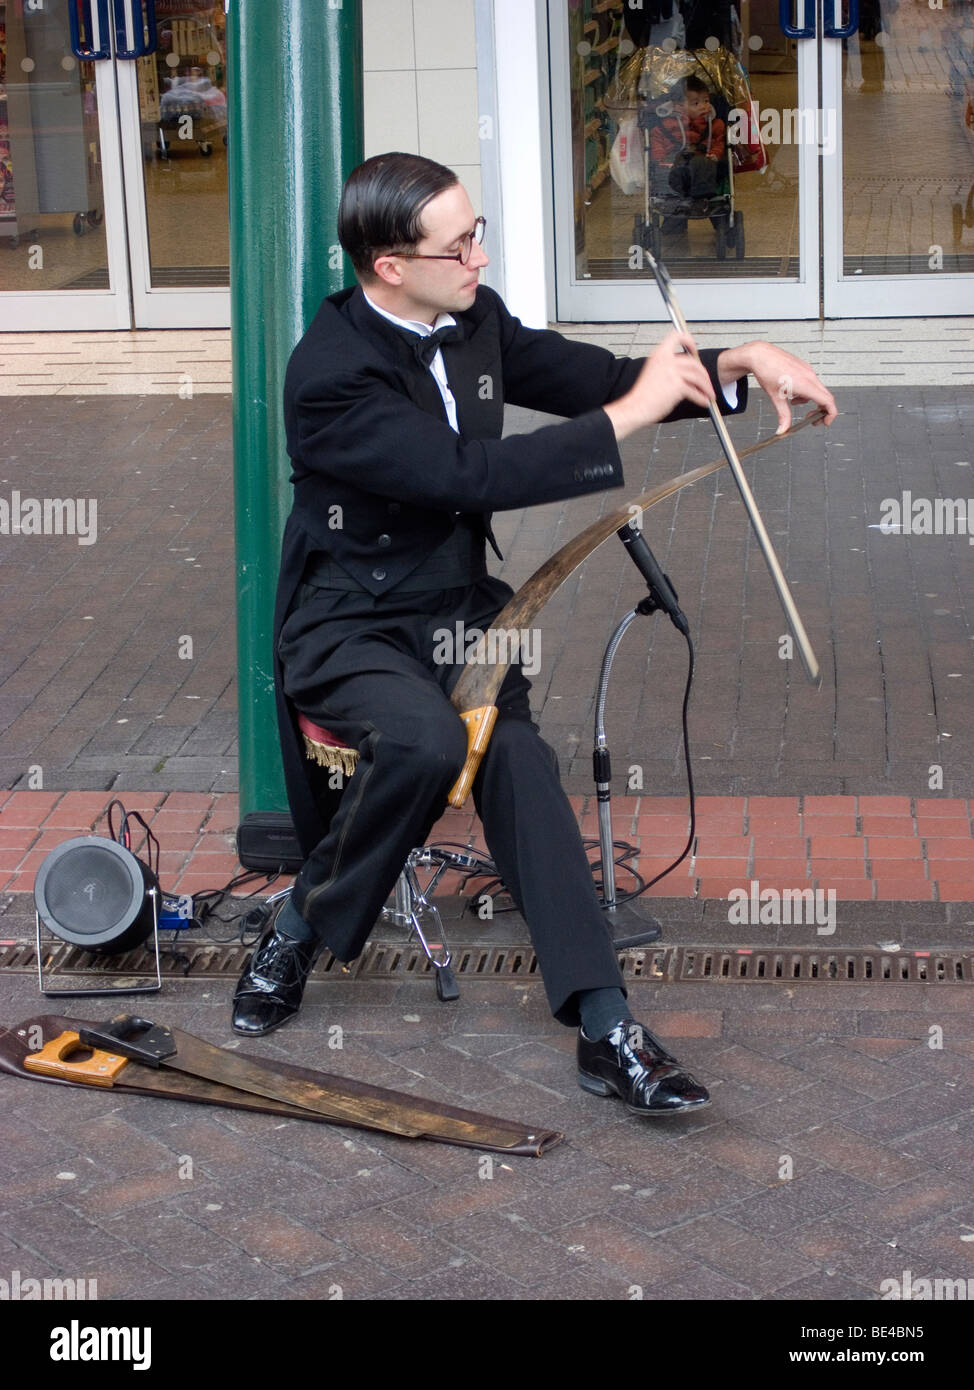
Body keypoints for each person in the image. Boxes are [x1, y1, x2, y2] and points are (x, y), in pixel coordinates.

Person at [231, 152, 836, 1118]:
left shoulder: (472, 317)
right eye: (458, 243)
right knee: (425, 743)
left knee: (516, 760)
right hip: (348, 620)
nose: (479, 254)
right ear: (390, 263)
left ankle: (606, 1028)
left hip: (461, 613)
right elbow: (473, 475)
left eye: (479, 232)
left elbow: (591, 375)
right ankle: (303, 917)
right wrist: (627, 417)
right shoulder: (327, 376)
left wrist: (738, 363)